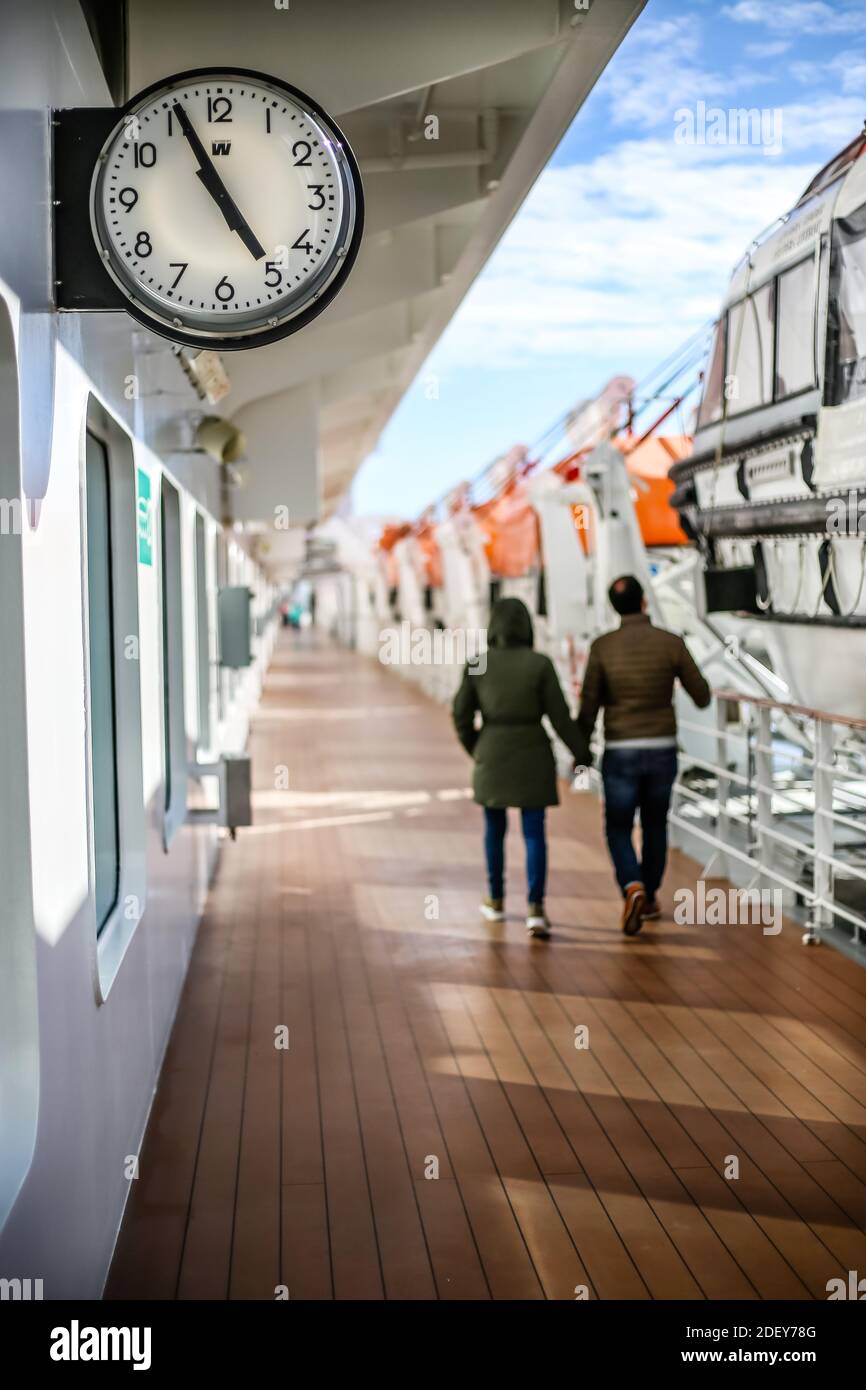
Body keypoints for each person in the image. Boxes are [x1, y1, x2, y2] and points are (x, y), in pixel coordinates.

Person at [578, 575, 711, 936]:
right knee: (655, 824)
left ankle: (631, 885)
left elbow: (588, 704)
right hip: (661, 749)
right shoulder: (670, 643)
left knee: (618, 826)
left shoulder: (602, 647)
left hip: (619, 750)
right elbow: (702, 695)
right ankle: (650, 895)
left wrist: (580, 750)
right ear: (643, 603)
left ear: (614, 607)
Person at [452, 596, 590, 938]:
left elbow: (460, 715)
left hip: (492, 754)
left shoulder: (478, 664)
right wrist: (581, 752)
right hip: (533, 754)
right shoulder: (539, 664)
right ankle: (536, 909)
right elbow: (559, 717)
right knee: (534, 833)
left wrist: (478, 749)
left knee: (493, 831)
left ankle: (496, 901)